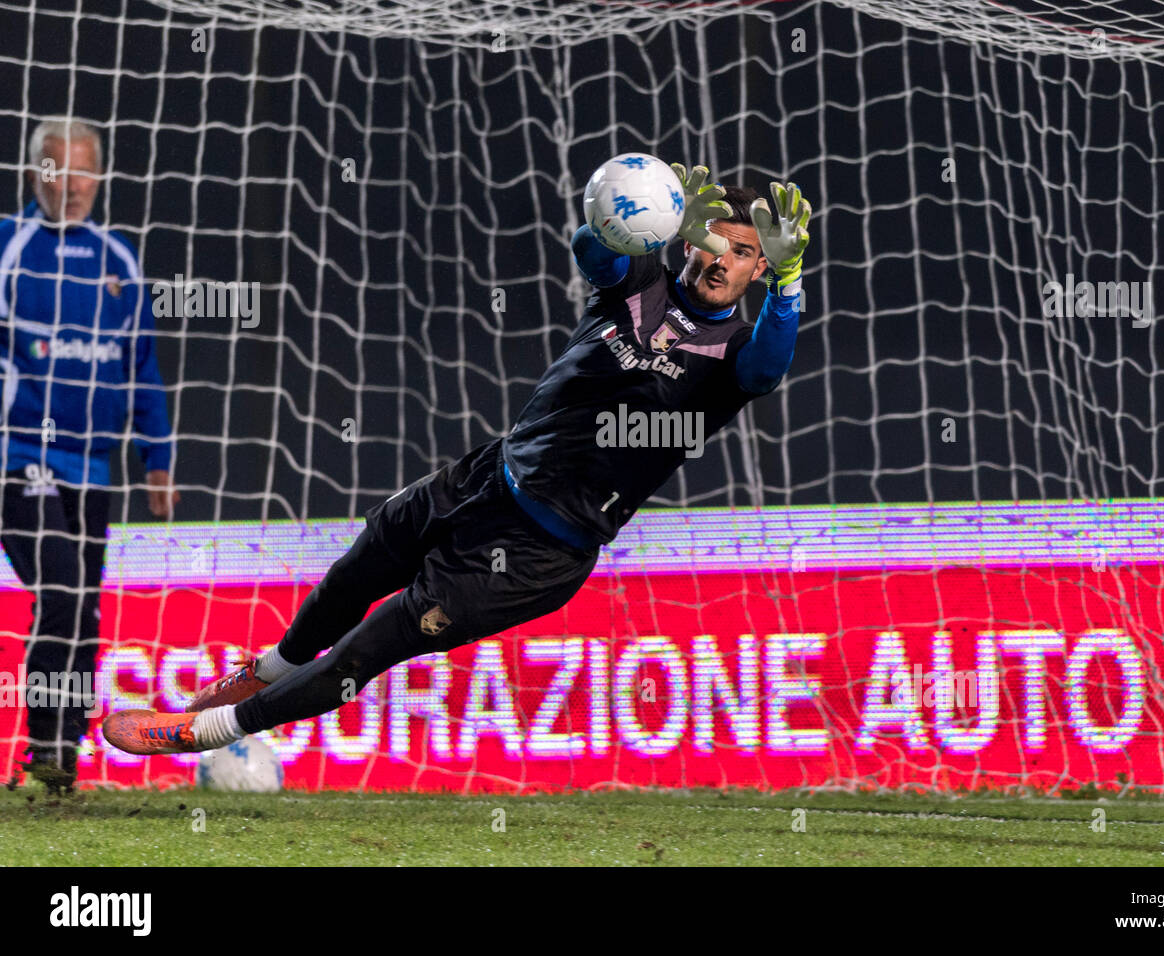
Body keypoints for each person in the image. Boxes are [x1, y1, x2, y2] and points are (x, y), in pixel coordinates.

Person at [102, 164, 809, 758]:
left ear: (757, 268)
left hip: (540, 548)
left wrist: (790, 282)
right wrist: (618, 218)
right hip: (487, 477)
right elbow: (591, 251)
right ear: (686, 241)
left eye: (744, 253)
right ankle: (269, 670)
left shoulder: (735, 359)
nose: (722, 260)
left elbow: (770, 369)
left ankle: (200, 730)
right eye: (712, 241)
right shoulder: (640, 281)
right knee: (363, 562)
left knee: (367, 649)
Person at [0, 118, 178, 790]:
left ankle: (62, 755)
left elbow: (142, 367)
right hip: (18, 460)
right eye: (55, 171)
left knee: (86, 608)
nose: (69, 186)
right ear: (32, 175)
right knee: (63, 593)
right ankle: (44, 747)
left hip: (92, 467)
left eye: (81, 172)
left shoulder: (119, 259)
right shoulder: (8, 247)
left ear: (98, 178)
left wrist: (156, 458)